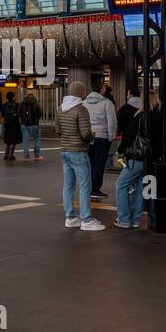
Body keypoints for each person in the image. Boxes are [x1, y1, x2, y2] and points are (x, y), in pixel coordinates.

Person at [57, 80, 103, 230]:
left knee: (68, 186)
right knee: (85, 186)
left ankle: (70, 217)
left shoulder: (60, 108)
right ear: (82, 93)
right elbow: (85, 134)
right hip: (78, 152)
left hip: (65, 151)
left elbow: (58, 131)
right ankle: (86, 220)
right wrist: (93, 135)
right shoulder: (81, 109)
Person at [114, 93, 147, 229]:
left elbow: (129, 136)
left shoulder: (140, 117)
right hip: (147, 158)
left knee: (121, 186)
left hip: (135, 158)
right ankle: (135, 219)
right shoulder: (157, 116)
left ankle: (124, 219)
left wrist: (120, 151)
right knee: (139, 188)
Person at [83, 84, 118, 197]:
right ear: (102, 90)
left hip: (88, 136)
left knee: (89, 163)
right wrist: (111, 136)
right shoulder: (107, 103)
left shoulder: (84, 103)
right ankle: (95, 189)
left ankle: (87, 188)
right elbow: (112, 122)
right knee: (99, 164)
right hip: (102, 136)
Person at [19, 92, 43, 160]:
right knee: (37, 139)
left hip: (24, 124)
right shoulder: (36, 103)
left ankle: (26, 156)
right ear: (33, 96)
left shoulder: (22, 103)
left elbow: (19, 113)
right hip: (34, 124)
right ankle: (37, 156)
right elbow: (39, 114)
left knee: (25, 141)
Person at [0, 91, 23, 160]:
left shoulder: (4, 105)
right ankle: (10, 155)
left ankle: (6, 155)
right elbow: (19, 114)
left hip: (7, 124)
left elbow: (2, 114)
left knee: (8, 140)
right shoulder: (16, 105)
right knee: (14, 140)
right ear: (12, 97)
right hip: (15, 124)